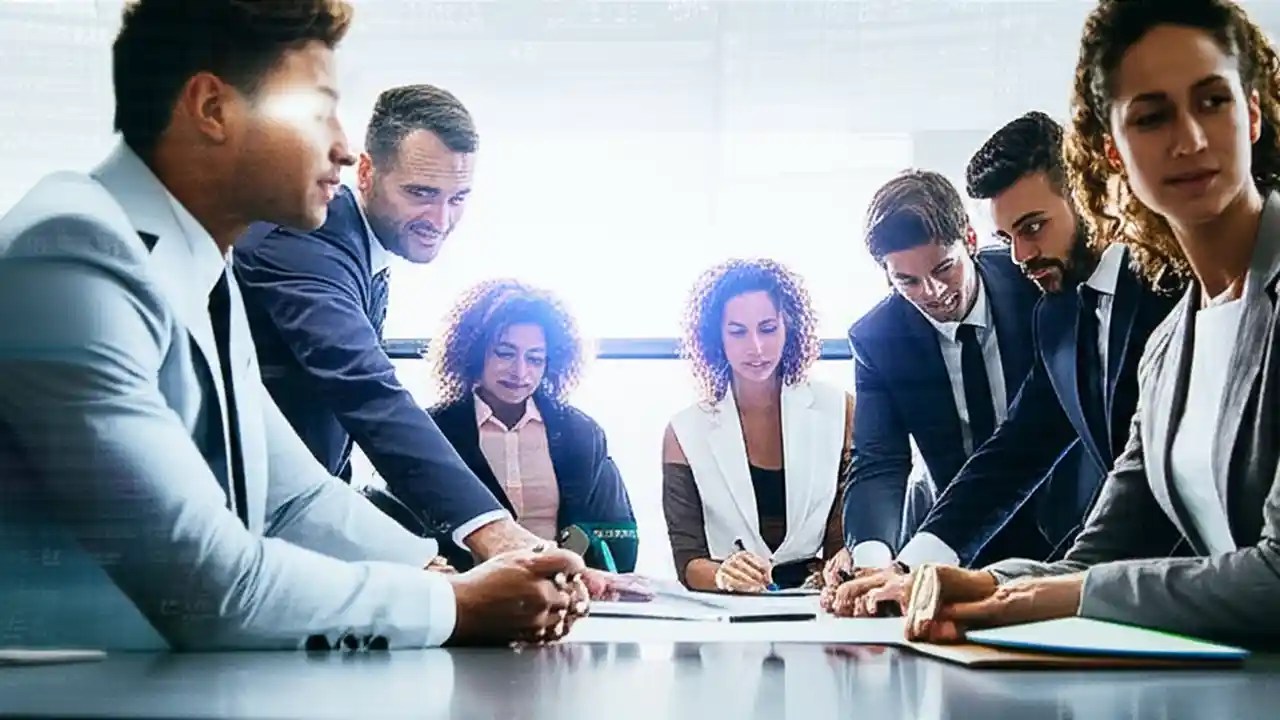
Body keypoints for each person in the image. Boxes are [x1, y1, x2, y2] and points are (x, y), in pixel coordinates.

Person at [0, 0, 585, 651]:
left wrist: (434, 567)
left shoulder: (208, 271)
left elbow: (291, 496)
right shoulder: (74, 249)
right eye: (316, 109)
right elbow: (208, 587)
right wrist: (455, 603)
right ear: (212, 110)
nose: (341, 145)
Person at [896, 0, 1280, 649]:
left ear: (1253, 113)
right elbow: (1091, 558)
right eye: (1151, 116)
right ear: (1112, 152)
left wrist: (1051, 593)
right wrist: (955, 582)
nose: (1187, 138)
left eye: (1212, 101)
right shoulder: (1169, 348)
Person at [827, 112, 1179, 615]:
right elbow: (1016, 448)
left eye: (1033, 227)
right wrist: (907, 567)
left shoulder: (1166, 282)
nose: (1020, 255)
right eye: (1010, 235)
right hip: (1092, 563)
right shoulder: (1057, 309)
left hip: (1147, 555)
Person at [233, 83, 559, 570]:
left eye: (458, 198)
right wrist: (494, 532)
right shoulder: (304, 238)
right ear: (365, 172)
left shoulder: (363, 250)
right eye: (421, 193)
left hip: (293, 528)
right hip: (236, 535)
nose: (441, 219)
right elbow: (365, 389)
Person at [842, 169, 1071, 572]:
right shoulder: (876, 339)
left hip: (1073, 529)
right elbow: (879, 462)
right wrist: (873, 561)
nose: (932, 293)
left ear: (969, 239)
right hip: (958, 550)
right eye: (907, 281)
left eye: (944, 269)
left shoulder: (1037, 284)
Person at [373, 279, 638, 572]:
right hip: (465, 596)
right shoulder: (433, 431)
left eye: (535, 359)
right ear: (474, 352)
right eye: (505, 353)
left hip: (564, 592)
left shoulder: (582, 433)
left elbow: (615, 536)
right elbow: (398, 527)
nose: (520, 372)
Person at [661, 259, 853, 592]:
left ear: (788, 326)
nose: (756, 348)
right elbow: (687, 559)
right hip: (728, 614)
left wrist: (840, 568)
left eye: (767, 328)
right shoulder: (684, 432)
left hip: (817, 607)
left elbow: (843, 540)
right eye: (737, 332)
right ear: (715, 337)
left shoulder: (838, 410)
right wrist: (722, 575)